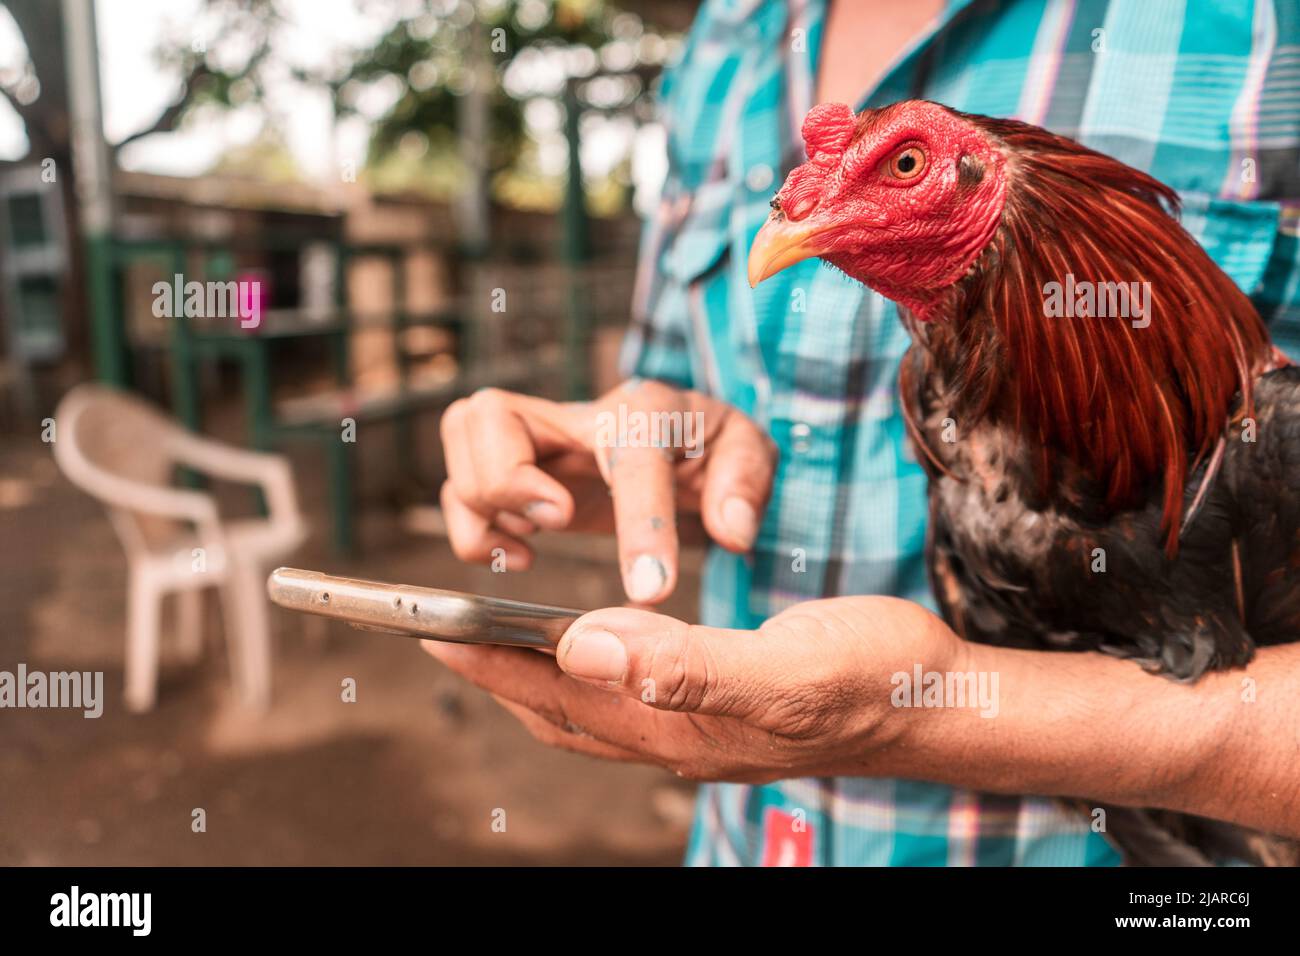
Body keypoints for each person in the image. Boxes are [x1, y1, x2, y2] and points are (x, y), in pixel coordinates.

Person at [427, 0, 1300, 865]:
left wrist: (922, 714)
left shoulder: (1265, 25)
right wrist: (650, 459)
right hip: (752, 842)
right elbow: (679, 395)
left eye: (907, 163)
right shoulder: (725, 41)